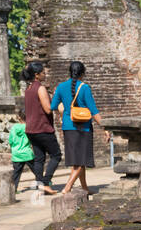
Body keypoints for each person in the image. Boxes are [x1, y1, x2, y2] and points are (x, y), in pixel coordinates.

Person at [50, 61, 102, 195]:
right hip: (83, 128)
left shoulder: (61, 87)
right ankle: (67, 187)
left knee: (77, 160)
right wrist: (105, 128)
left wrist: (64, 112)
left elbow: (53, 106)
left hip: (68, 127)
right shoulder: (84, 88)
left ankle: (84, 188)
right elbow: (94, 110)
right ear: (83, 73)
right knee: (81, 160)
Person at [20, 61, 60, 194]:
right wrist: (56, 100)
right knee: (56, 155)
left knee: (39, 158)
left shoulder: (29, 89)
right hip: (42, 128)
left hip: (31, 129)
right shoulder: (40, 88)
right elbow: (48, 109)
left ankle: (39, 183)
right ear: (36, 75)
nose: (45, 74)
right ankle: (45, 182)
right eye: (43, 72)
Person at [8, 104, 35, 192]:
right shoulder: (29, 127)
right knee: (36, 170)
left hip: (16, 154)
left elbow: (11, 141)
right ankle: (45, 183)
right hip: (27, 153)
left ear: (18, 117)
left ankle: (13, 189)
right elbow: (32, 140)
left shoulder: (14, 128)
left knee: (16, 173)